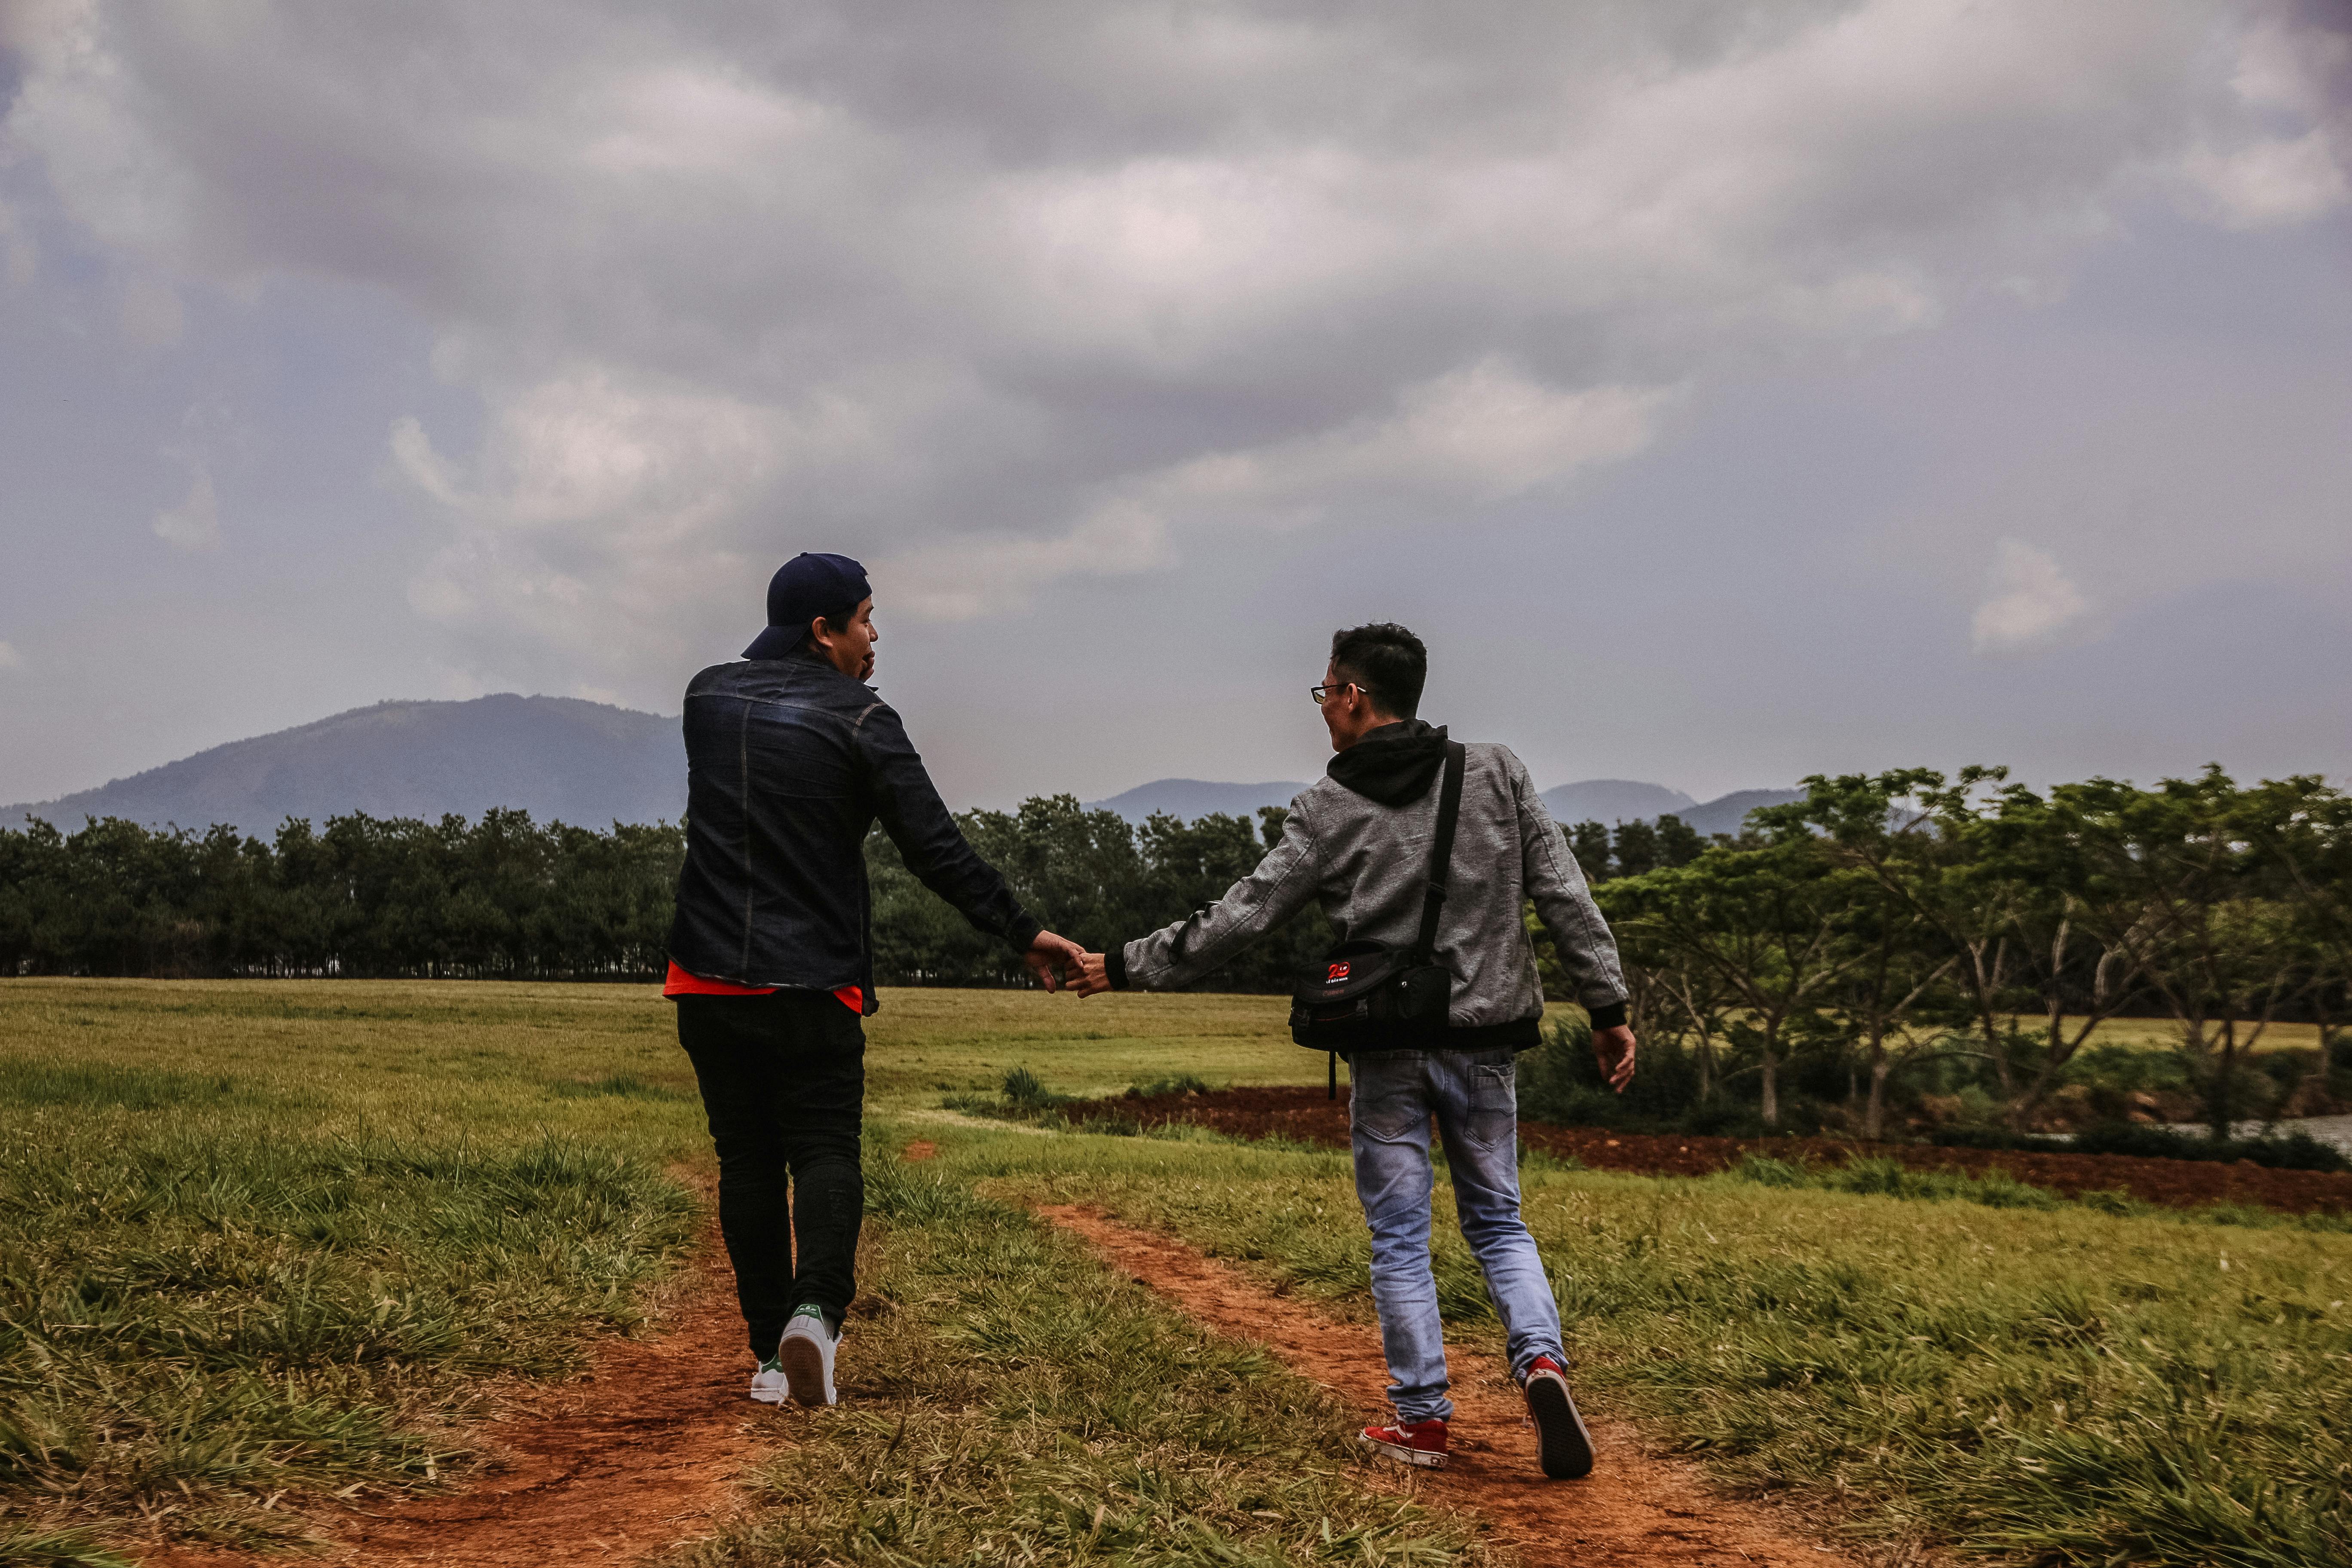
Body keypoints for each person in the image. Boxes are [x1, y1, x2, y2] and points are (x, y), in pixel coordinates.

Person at [1068, 622, 1636, 1479]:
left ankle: (1423, 1422)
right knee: (1499, 1218)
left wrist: (1121, 965)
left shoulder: (1328, 809)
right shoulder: (1498, 773)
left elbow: (1242, 919)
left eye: (1323, 692)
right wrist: (1609, 1007)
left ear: (1353, 696)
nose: (1322, 709)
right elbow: (1564, 894)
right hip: (1485, 1046)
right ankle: (1542, 1364)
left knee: (1401, 1236)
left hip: (1387, 1052)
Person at [667, 551, 1086, 1408]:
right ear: (823, 632)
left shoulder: (705, 698)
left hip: (705, 977)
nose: (875, 635)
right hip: (816, 980)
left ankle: (771, 1362)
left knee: (746, 1162)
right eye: (864, 619)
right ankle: (814, 1313)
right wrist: (1022, 932)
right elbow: (935, 847)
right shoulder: (864, 721)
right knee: (823, 1148)